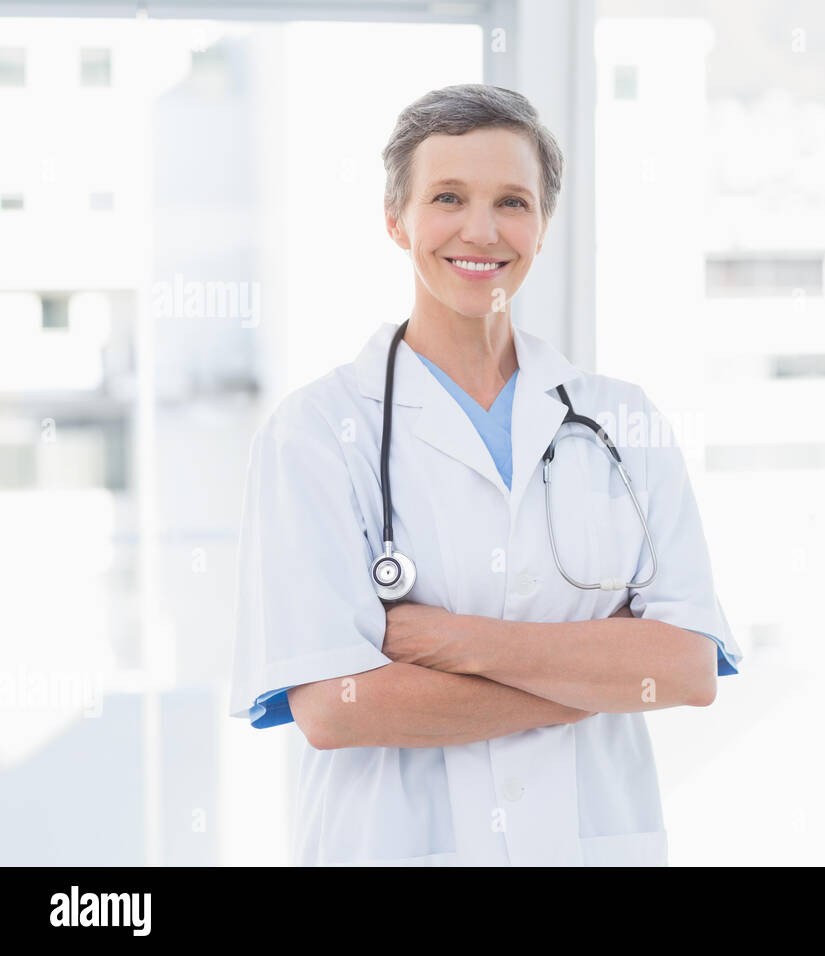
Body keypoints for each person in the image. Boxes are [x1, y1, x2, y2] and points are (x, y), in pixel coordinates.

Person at [227, 84, 742, 866]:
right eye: (448, 197)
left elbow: (686, 668)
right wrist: (590, 678)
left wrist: (455, 641)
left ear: (542, 224)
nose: (481, 230)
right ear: (396, 219)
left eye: (512, 202)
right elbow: (337, 708)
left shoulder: (621, 420)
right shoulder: (317, 433)